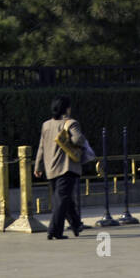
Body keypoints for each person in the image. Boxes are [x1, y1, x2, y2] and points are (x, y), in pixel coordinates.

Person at [34, 96, 85, 239]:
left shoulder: (46, 125)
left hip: (51, 168)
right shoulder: (71, 123)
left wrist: (38, 166)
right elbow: (78, 139)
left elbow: (41, 147)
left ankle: (76, 224)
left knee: (62, 198)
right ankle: (54, 231)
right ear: (67, 108)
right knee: (62, 200)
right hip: (66, 168)